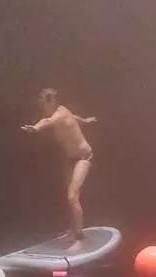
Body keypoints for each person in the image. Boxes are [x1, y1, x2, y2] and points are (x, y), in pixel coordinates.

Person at [21, 88, 98, 243]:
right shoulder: (62, 111)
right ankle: (72, 228)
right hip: (69, 159)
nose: (39, 103)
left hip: (83, 157)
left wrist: (35, 128)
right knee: (70, 198)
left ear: (51, 100)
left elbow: (48, 122)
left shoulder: (59, 114)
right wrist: (85, 120)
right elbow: (72, 117)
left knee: (72, 197)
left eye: (42, 99)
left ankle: (79, 236)